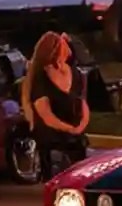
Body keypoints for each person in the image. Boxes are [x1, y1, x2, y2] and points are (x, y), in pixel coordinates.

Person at [22, 32, 90, 180]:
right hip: (52, 131)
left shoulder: (75, 73)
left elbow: (83, 103)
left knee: (80, 151)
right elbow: (47, 116)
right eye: (62, 44)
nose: (66, 45)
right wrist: (69, 129)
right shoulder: (41, 77)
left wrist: (80, 126)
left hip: (72, 129)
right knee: (54, 146)